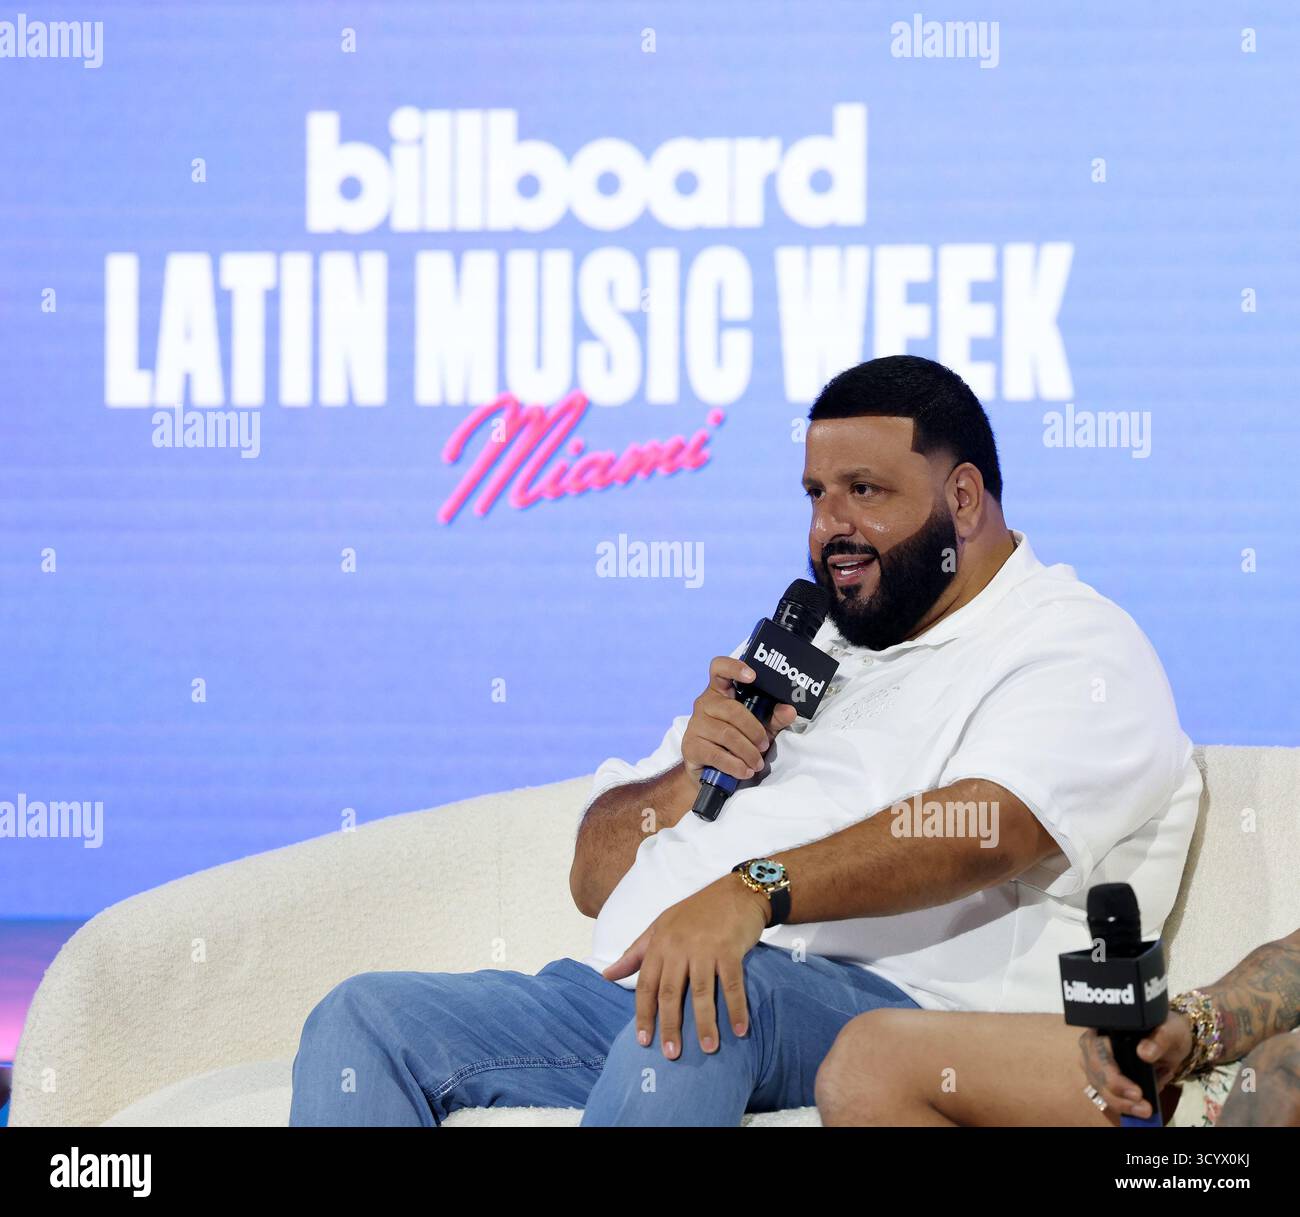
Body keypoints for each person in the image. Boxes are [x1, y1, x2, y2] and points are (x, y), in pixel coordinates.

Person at [289, 354, 1201, 1126]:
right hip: (634, 979)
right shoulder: (808, 649)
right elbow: (592, 876)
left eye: (864, 492)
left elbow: (986, 829)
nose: (828, 527)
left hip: (887, 1014)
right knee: (364, 1019)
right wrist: (687, 780)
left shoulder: (1073, 641)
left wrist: (752, 891)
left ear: (963, 499)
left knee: (704, 995)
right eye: (815, 494)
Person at [814, 928, 1300, 1127]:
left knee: (1283, 1072)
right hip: (1230, 1094)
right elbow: (1286, 973)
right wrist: (1189, 1029)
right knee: (872, 1060)